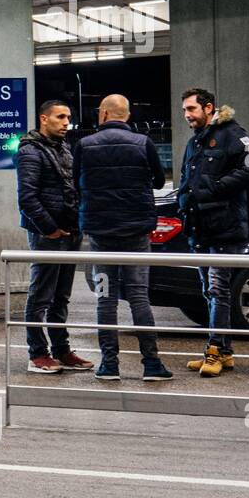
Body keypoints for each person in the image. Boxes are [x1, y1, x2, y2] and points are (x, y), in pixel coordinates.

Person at [73, 94, 172, 382]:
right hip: (137, 233)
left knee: (106, 299)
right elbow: (158, 181)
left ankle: (109, 365)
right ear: (126, 115)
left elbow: (76, 181)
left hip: (101, 235)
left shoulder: (85, 145)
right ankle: (151, 364)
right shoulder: (143, 143)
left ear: (103, 114)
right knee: (140, 297)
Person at [176, 88, 249, 377]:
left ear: (208, 107)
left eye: (192, 109)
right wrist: (184, 202)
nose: (187, 115)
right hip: (199, 228)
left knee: (218, 289)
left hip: (224, 227)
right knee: (209, 291)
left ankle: (213, 351)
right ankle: (224, 352)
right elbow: (186, 180)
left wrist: (211, 190)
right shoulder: (194, 142)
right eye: (185, 110)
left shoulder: (234, 134)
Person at [16, 100, 92, 374]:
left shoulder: (64, 149)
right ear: (43, 119)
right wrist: (50, 228)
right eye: (60, 117)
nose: (65, 123)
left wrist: (75, 224)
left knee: (61, 297)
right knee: (41, 297)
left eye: (68, 117)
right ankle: (37, 354)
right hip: (47, 235)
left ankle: (61, 350)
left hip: (69, 232)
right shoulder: (30, 152)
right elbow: (27, 198)